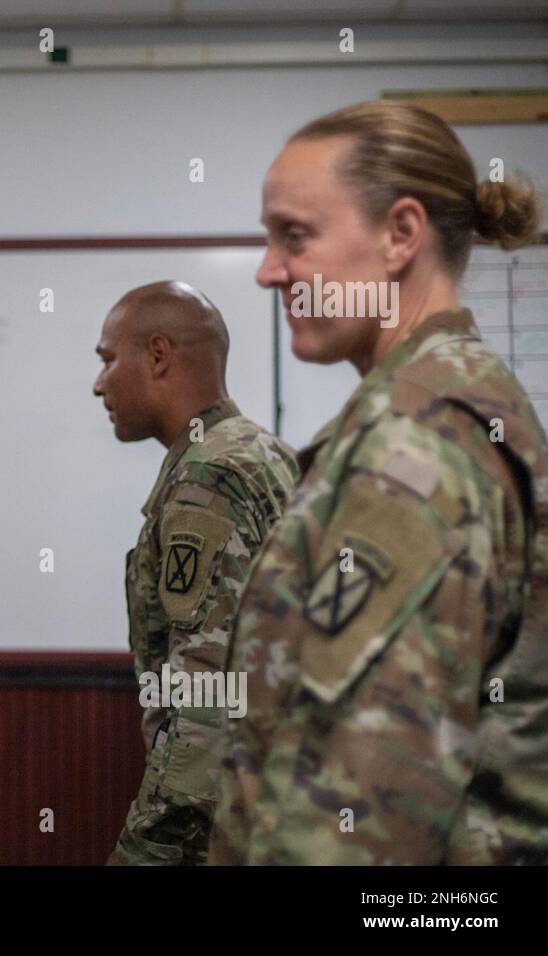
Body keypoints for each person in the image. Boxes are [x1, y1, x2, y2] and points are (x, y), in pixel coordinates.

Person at [211, 100, 548, 865]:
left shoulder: (419, 439)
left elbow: (360, 807)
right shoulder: (435, 404)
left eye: (294, 236)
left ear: (401, 234)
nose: (269, 270)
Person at [92, 280, 298, 865]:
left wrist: (147, 850)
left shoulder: (206, 477)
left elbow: (206, 699)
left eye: (108, 359)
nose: (98, 383)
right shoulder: (263, 451)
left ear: (158, 355)